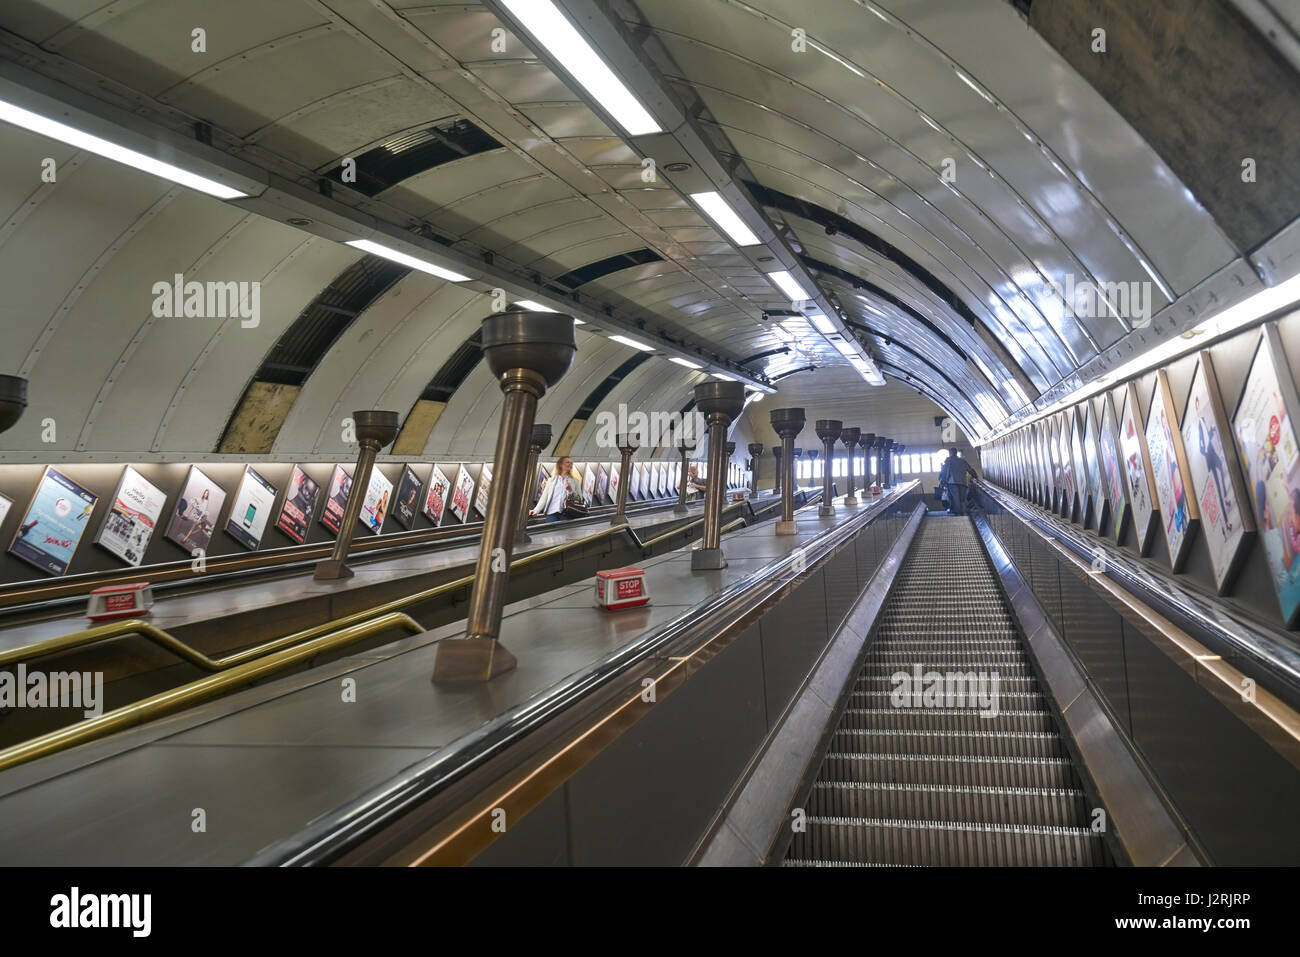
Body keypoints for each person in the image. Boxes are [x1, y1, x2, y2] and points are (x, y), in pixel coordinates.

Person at [530, 456, 579, 523]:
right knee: (550, 532)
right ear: (560, 464)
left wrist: (570, 490)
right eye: (567, 462)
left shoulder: (575, 481)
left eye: (571, 463)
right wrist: (535, 510)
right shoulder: (551, 480)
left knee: (563, 533)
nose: (570, 464)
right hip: (552, 513)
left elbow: (579, 498)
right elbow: (544, 497)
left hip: (567, 513)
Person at [939, 447, 977, 515]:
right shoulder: (962, 461)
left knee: (955, 498)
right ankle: (963, 512)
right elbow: (970, 469)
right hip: (962, 482)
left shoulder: (948, 461)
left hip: (952, 482)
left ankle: (959, 513)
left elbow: (944, 472)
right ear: (956, 453)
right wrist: (975, 476)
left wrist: (943, 482)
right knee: (962, 498)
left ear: (950, 453)